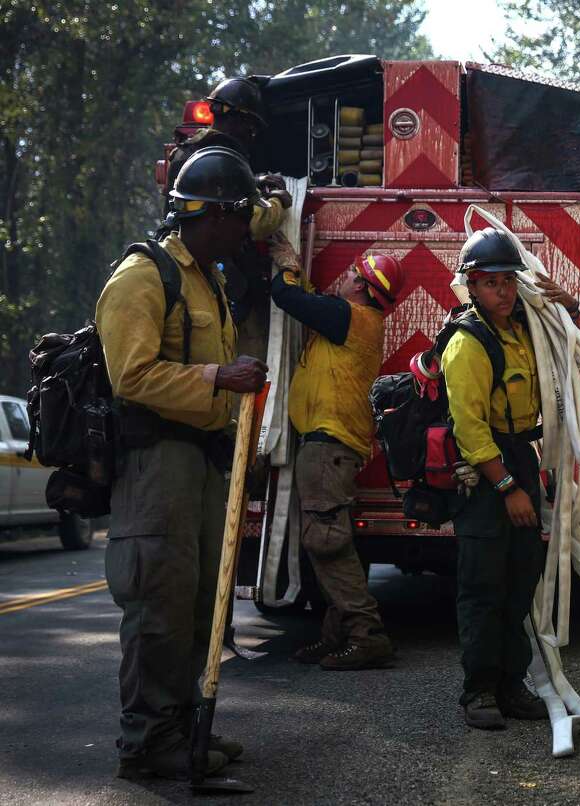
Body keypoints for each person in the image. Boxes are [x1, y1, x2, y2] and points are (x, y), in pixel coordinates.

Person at [97, 146, 268, 781]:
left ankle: (181, 730)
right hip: (156, 464)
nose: (245, 230)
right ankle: (146, 742)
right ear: (212, 215)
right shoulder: (144, 277)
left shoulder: (210, 281)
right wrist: (220, 376)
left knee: (200, 604)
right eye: (239, 216)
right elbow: (131, 376)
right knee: (159, 606)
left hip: (200, 462)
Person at [442, 228, 580, 730]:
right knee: (483, 585)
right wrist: (508, 488)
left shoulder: (526, 331)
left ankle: (509, 685)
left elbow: (567, 347)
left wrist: (570, 306)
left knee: (520, 579)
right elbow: (471, 429)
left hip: (520, 456)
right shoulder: (467, 344)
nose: (503, 291)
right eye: (491, 283)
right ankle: (478, 692)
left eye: (508, 281)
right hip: (485, 474)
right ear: (471, 287)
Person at [269, 239, 401, 670]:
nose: (343, 279)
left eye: (350, 275)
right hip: (329, 446)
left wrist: (286, 268)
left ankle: (368, 635)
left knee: (327, 544)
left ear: (363, 287)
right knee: (326, 544)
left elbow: (289, 299)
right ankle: (335, 635)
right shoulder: (351, 320)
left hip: (328, 448)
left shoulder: (352, 318)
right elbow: (313, 304)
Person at [163, 76, 292, 354]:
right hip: (225, 281)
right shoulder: (225, 154)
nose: (252, 136)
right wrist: (280, 200)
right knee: (238, 359)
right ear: (241, 121)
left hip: (181, 266)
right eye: (252, 128)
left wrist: (255, 181)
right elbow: (256, 222)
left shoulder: (186, 151)